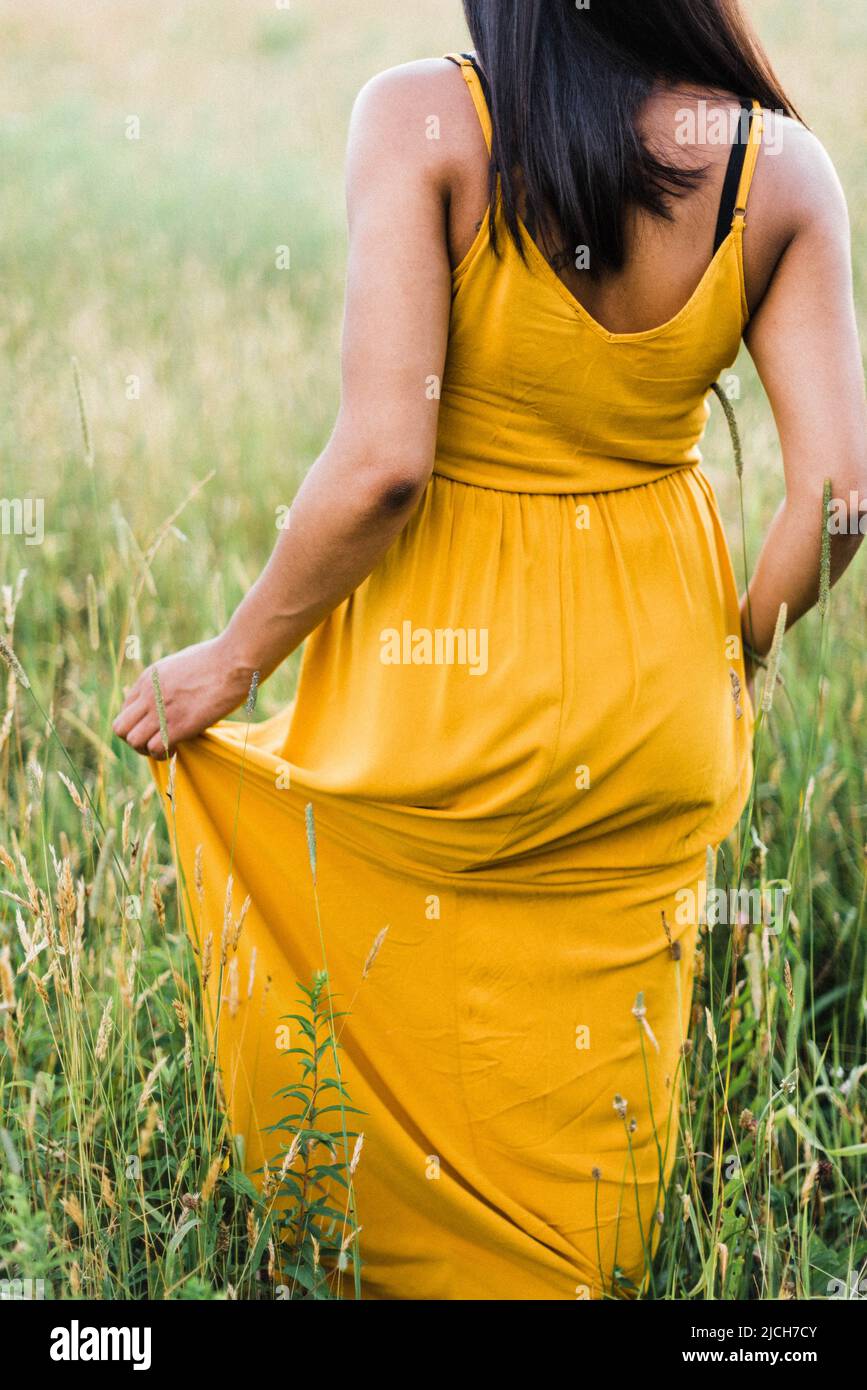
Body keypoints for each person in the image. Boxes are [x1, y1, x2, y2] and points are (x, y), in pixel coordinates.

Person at [113, 0, 866, 1299]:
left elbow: (383, 465)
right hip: (654, 692)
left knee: (389, 969)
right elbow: (843, 494)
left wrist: (231, 662)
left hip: (440, 684)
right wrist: (732, 651)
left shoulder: (421, 122)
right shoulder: (779, 166)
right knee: (598, 1061)